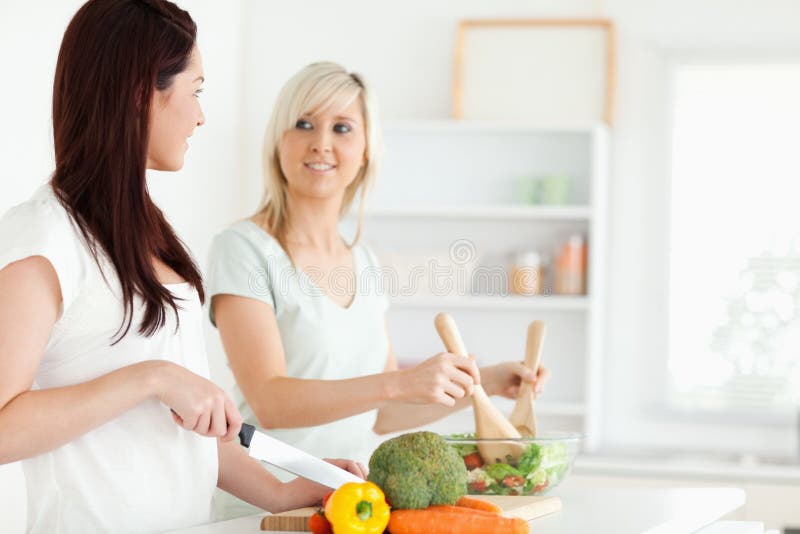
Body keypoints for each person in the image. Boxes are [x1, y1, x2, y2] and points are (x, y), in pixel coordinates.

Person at [0, 4, 363, 533]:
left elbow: (190, 428)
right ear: (141, 93)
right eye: (195, 90)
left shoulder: (148, 232)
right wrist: (151, 378)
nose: (201, 115)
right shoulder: (44, 237)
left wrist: (284, 491)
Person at [207, 62, 551, 501]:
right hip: (267, 502)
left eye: (343, 128)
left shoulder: (364, 261)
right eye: (304, 124)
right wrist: (400, 382)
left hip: (354, 501)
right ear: (279, 140)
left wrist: (483, 383)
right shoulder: (243, 249)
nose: (321, 143)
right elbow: (270, 401)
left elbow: (384, 415)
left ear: (366, 149)